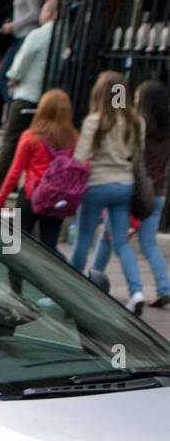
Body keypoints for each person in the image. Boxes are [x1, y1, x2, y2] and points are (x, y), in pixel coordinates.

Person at [69, 71, 147, 314]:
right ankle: (136, 292)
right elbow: (137, 158)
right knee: (121, 242)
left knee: (83, 238)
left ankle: (70, 288)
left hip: (97, 184)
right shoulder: (136, 122)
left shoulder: (95, 121)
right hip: (125, 186)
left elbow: (80, 158)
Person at [90, 80, 170, 308]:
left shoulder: (138, 126)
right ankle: (164, 288)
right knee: (148, 244)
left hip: (134, 192)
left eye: (136, 98)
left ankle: (94, 278)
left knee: (109, 237)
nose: (133, 102)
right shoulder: (166, 133)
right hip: (156, 195)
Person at [0, 0, 57, 197]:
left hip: (27, 95)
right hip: (51, 99)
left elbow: (20, 63)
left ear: (48, 13)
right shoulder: (62, 35)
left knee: (12, 140)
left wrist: (13, 78)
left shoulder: (38, 35)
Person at [0, 88, 77, 254]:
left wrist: (0, 200)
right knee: (49, 247)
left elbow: (14, 172)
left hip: (31, 196)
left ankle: (15, 280)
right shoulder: (74, 139)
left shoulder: (31, 136)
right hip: (56, 199)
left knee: (17, 246)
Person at [0, 0, 43, 134]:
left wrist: (13, 25)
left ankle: (17, 112)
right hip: (18, 36)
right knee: (3, 76)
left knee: (3, 75)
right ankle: (15, 112)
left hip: (24, 36)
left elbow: (35, 14)